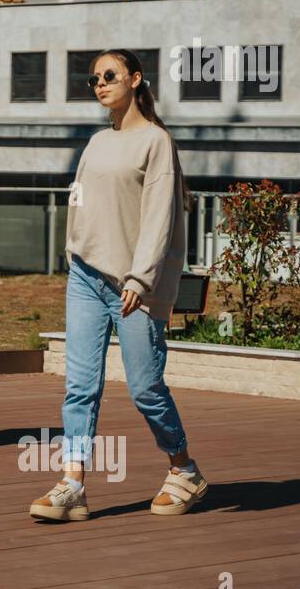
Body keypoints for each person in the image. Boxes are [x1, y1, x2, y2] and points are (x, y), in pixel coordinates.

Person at [30, 48, 208, 522]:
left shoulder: (156, 142)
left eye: (109, 75)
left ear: (135, 79)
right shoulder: (96, 143)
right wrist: (73, 251)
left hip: (134, 285)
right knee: (79, 386)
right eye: (94, 79)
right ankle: (72, 484)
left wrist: (141, 278)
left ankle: (184, 468)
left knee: (145, 388)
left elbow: (160, 217)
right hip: (86, 277)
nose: (100, 84)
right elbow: (80, 202)